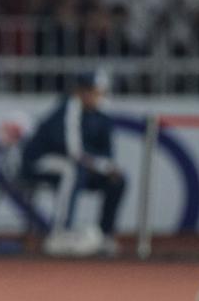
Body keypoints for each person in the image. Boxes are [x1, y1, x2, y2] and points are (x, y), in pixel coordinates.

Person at [19, 70, 125, 256]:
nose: (97, 97)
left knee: (117, 180)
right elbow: (73, 151)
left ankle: (104, 235)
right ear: (81, 92)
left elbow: (108, 154)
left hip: (81, 166)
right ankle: (59, 232)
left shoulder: (103, 114)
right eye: (93, 91)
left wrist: (107, 167)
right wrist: (101, 166)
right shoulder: (69, 108)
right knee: (72, 170)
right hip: (40, 162)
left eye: (100, 92)